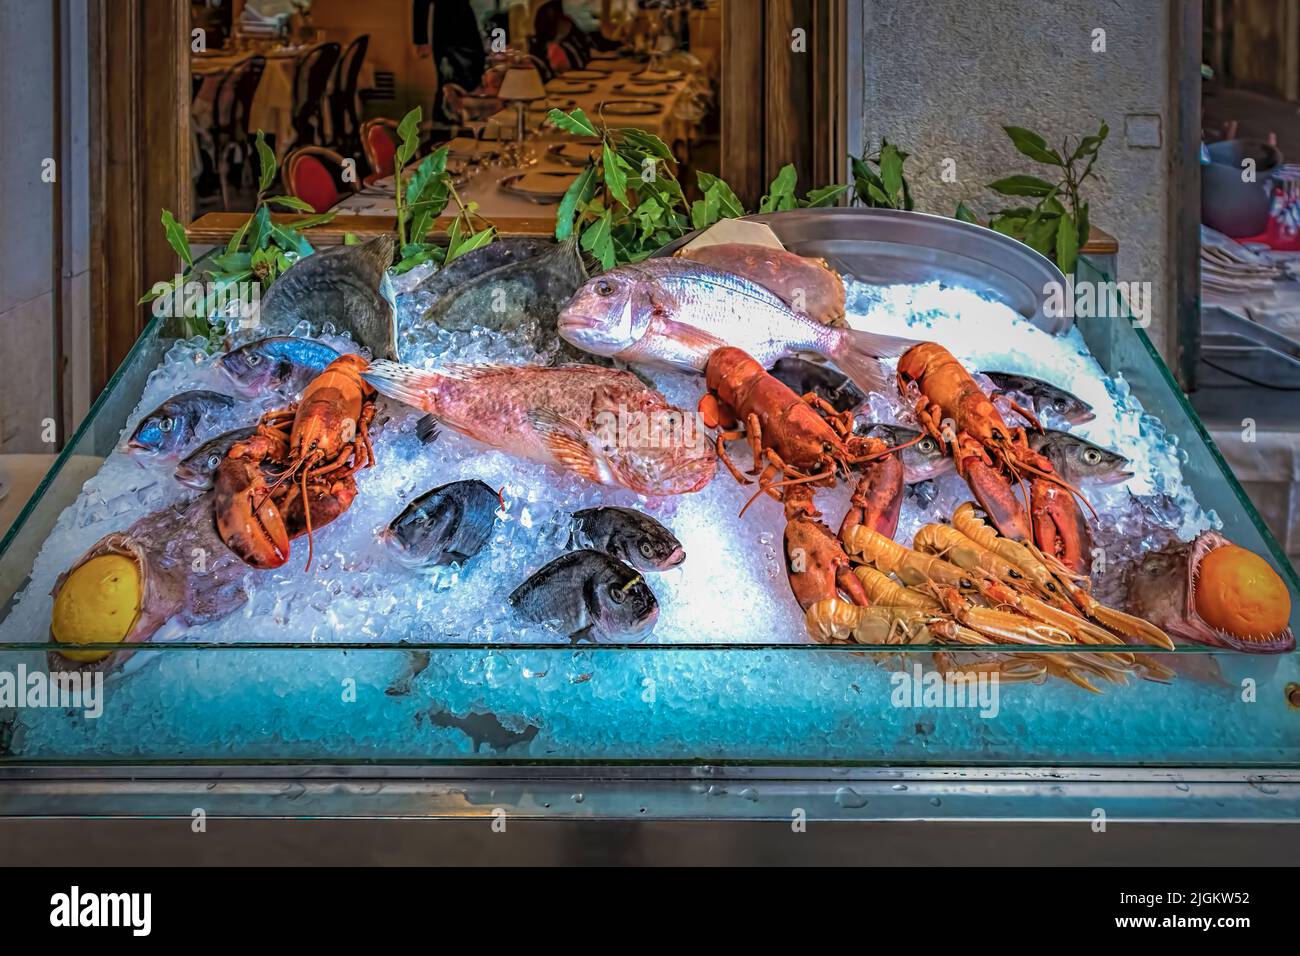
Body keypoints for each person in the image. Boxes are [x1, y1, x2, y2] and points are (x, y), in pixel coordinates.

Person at [413, 0, 488, 91]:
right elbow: (420, 3)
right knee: (452, 86)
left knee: (474, 77)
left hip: (463, 25)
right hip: (449, 31)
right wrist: (421, 40)